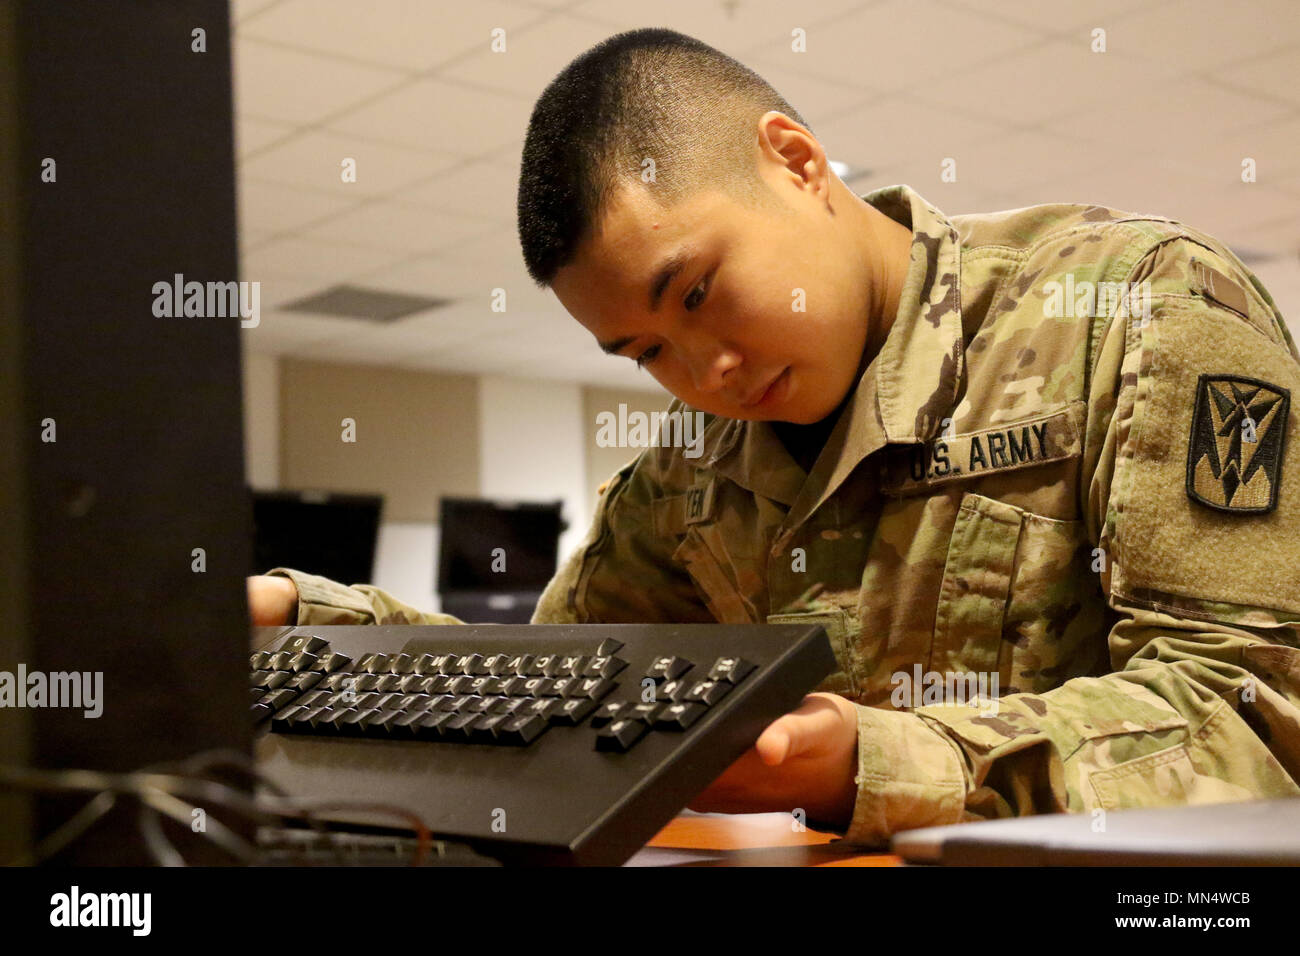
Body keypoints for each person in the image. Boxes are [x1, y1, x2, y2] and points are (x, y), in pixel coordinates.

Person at [248, 28, 1300, 845]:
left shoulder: (1135, 306)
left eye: (699, 290)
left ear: (794, 160)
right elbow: (561, 678)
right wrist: (329, 629)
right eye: (644, 349)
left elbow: (1255, 710)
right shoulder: (694, 462)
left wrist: (866, 763)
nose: (704, 372)